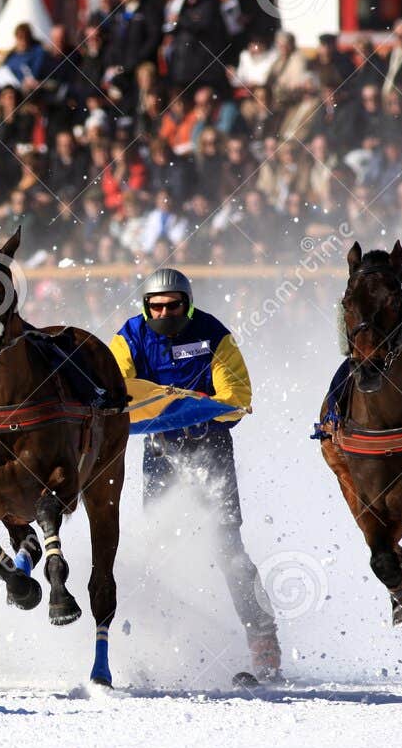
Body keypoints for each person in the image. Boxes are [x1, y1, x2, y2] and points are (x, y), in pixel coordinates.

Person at [107, 268, 283, 679]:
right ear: (145, 307)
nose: (165, 313)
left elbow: (236, 399)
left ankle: (263, 637)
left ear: (188, 304)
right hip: (160, 451)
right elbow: (118, 390)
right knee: (160, 549)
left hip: (211, 448)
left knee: (228, 548)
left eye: (173, 306)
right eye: (157, 307)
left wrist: (182, 406)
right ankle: (160, 649)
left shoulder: (214, 335)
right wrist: (175, 404)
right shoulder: (129, 336)